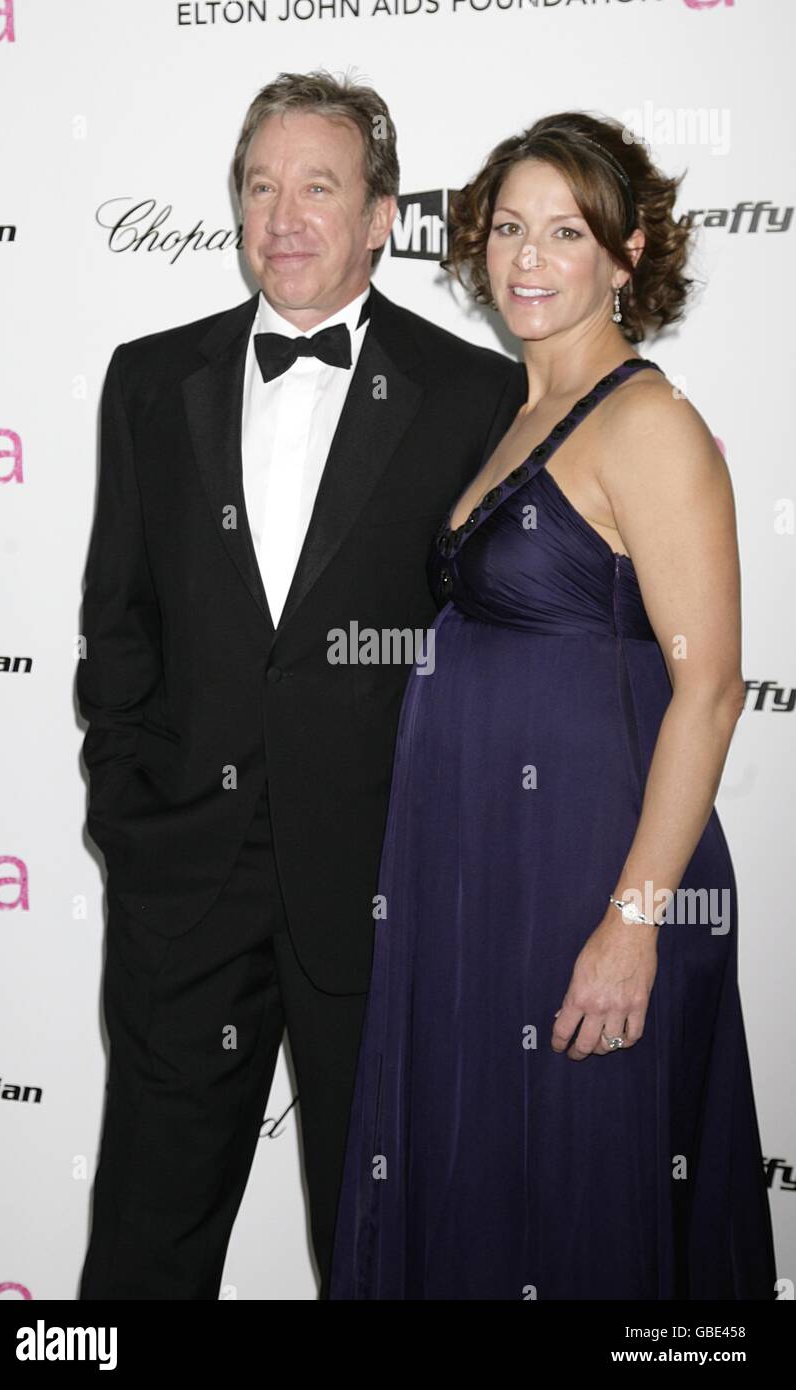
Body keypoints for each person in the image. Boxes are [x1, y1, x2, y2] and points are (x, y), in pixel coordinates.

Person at [76, 70, 527, 1300]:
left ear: (382, 214)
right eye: (261, 186)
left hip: (381, 890)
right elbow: (117, 628)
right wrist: (131, 814)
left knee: (382, 1249)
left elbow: (488, 645)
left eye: (317, 188)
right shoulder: (147, 380)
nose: (284, 216)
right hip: (188, 885)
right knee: (144, 1241)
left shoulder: (475, 393)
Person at [330, 112, 778, 1300]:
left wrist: (633, 922)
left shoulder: (647, 423)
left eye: (564, 231)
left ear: (625, 257)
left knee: (582, 1200)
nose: (527, 258)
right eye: (509, 228)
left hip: (590, 874)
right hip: (481, 877)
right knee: (493, 1195)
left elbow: (711, 689)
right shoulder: (516, 417)